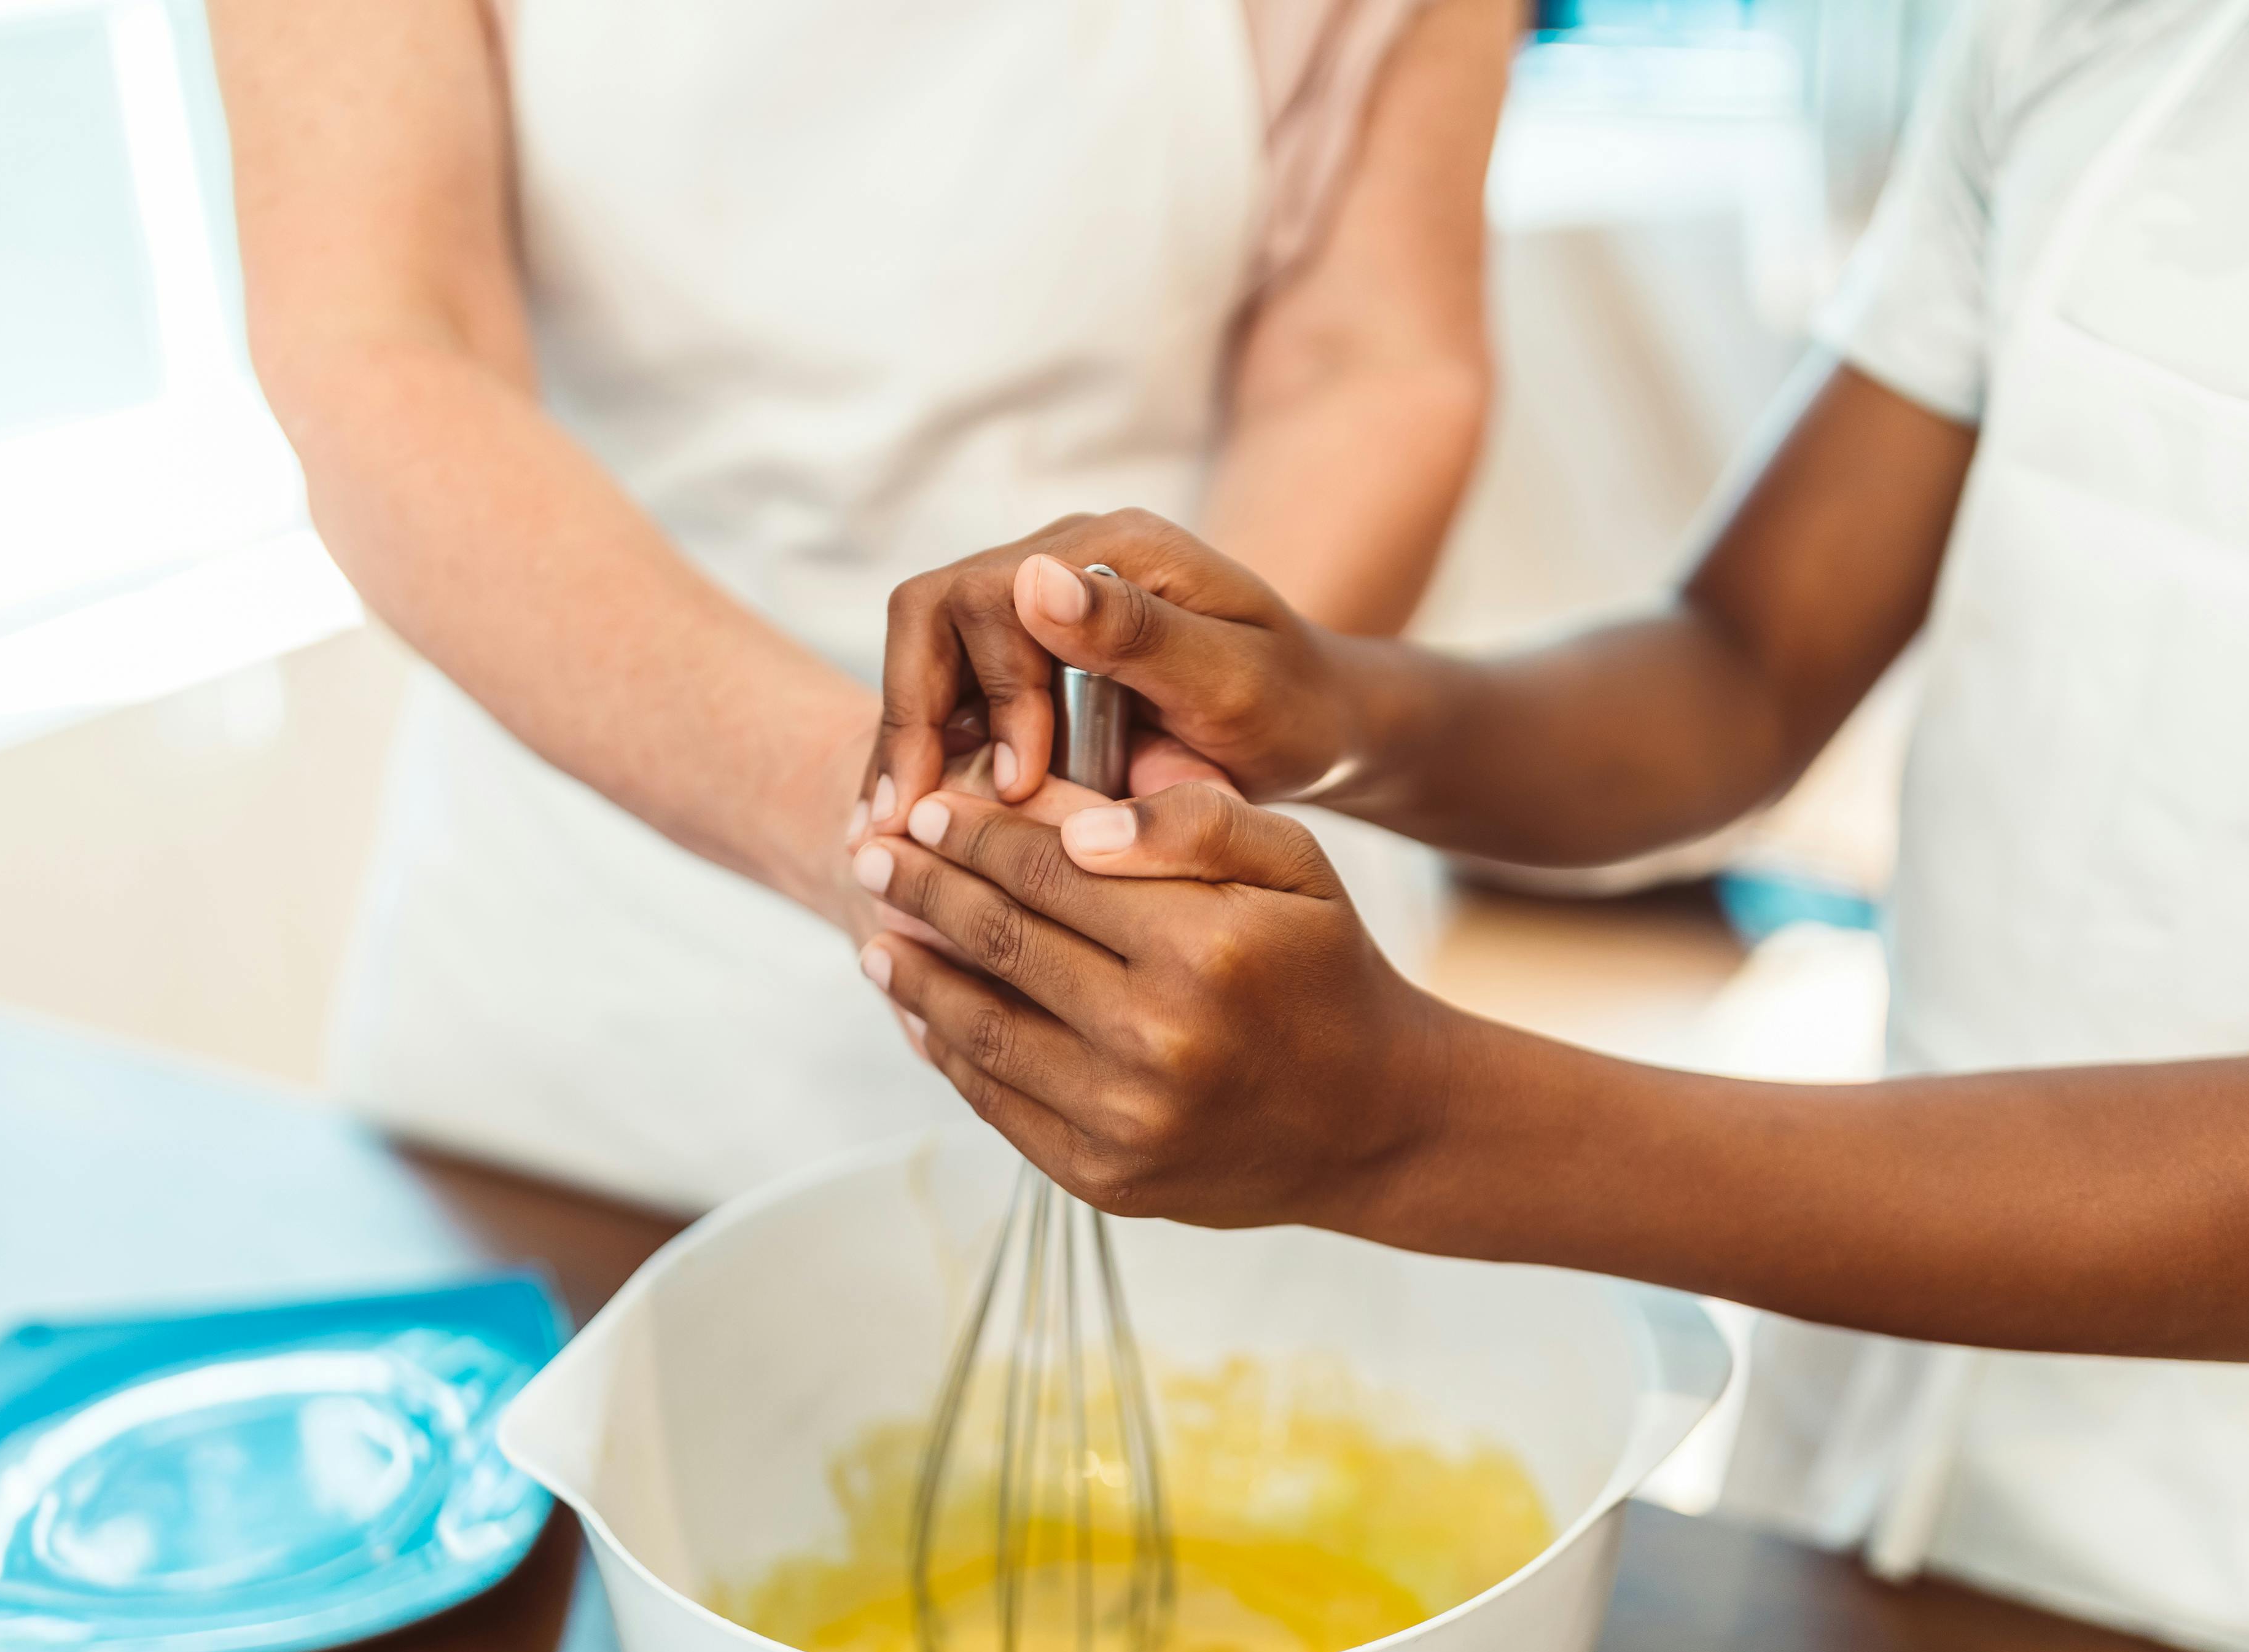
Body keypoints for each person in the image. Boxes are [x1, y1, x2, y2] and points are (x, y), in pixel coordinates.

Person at [849, 0, 2249, 1652]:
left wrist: (1398, 1118)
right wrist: (1323, 702)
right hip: (1905, 1421)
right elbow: (1738, 666)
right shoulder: (2075, 39)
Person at [205, 0, 1513, 1211]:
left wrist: (1157, 762)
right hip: (592, 1004)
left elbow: (1372, 357)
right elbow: (385, 345)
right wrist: (871, 815)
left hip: (1186, 948)